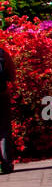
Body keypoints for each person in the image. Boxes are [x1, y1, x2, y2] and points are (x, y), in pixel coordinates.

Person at [0, 45, 15, 174]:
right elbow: (12, 76)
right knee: (4, 130)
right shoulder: (2, 54)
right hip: (2, 95)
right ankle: (6, 164)